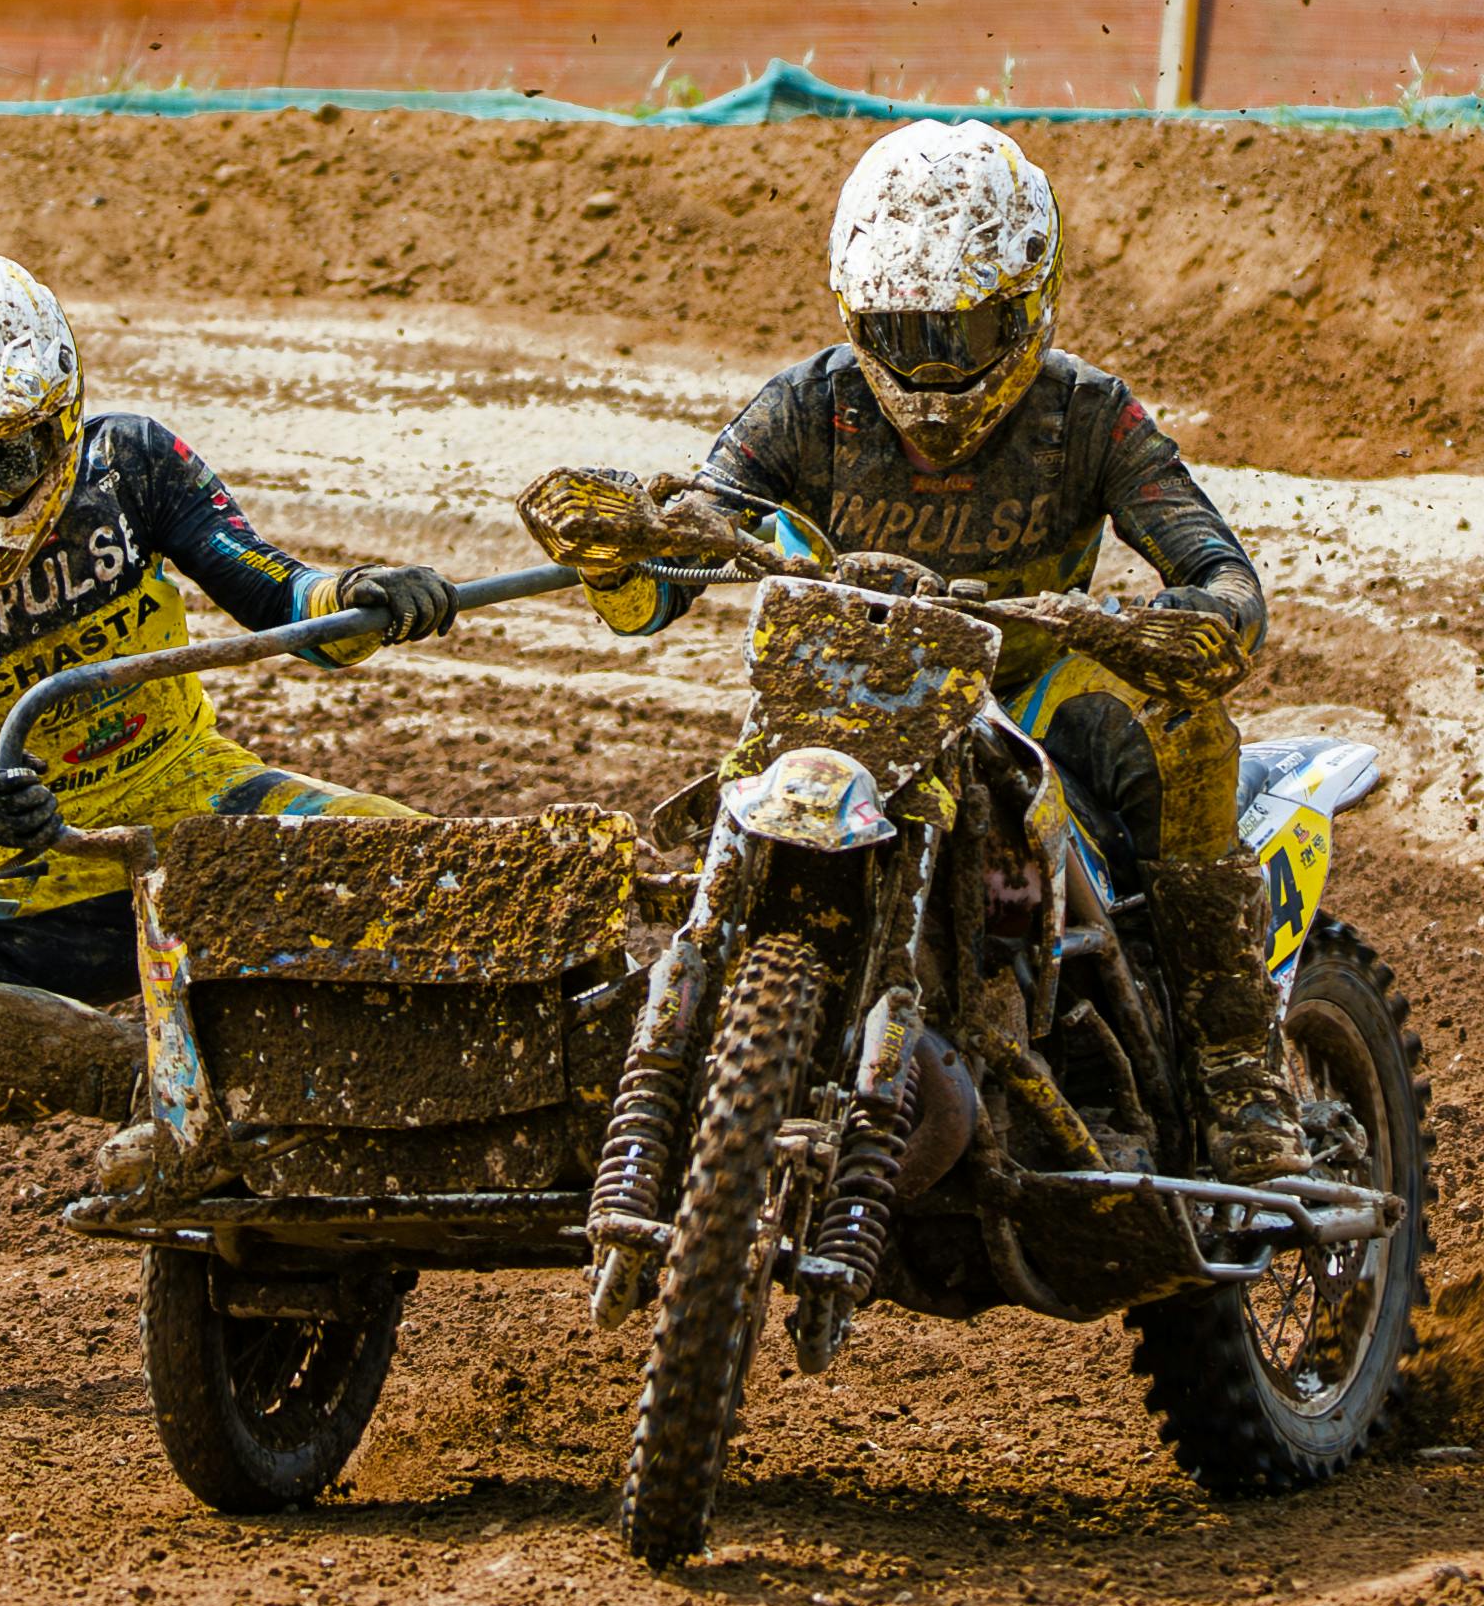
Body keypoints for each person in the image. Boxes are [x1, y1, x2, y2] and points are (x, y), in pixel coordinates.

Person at [541, 120, 1308, 1181]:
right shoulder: (812, 405)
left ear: (1029, 303)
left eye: (964, 331)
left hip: (1038, 683)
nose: (934, 369)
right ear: (857, 312)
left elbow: (1221, 570)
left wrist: (1180, 622)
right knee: (726, 790)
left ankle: (1239, 1074)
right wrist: (619, 548)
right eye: (903, 333)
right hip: (857, 680)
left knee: (1183, 736)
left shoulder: (1087, 412)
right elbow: (674, 567)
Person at [0, 248, 455, 1127]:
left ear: (61, 419)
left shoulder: (133, 462)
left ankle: (423, 1087)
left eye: (8, 456)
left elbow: (277, 593)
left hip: (208, 816)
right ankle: (152, 1093)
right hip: (42, 883)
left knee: (437, 870)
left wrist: (360, 594)